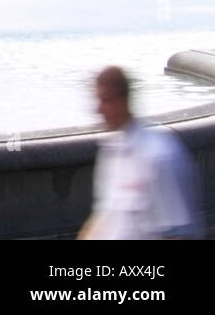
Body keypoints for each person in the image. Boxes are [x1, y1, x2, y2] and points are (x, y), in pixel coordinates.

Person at [79, 66, 201, 240]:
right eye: (97, 100)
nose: (98, 110)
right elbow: (104, 216)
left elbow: (180, 233)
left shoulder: (159, 155)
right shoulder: (112, 151)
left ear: (124, 100)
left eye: (105, 100)